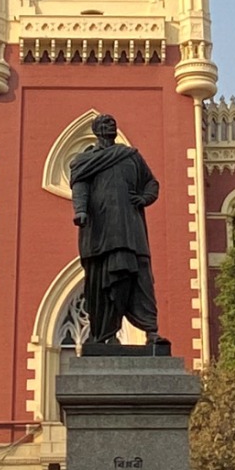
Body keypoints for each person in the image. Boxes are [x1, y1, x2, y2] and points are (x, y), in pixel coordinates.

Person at [69, 113, 163, 345]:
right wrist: (80, 211)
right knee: (101, 282)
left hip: (130, 230)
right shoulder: (86, 160)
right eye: (105, 123)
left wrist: (144, 198)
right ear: (97, 130)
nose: (110, 125)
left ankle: (151, 331)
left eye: (112, 122)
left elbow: (152, 183)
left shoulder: (130, 157)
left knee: (140, 279)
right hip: (100, 232)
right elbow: (80, 187)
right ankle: (104, 334)